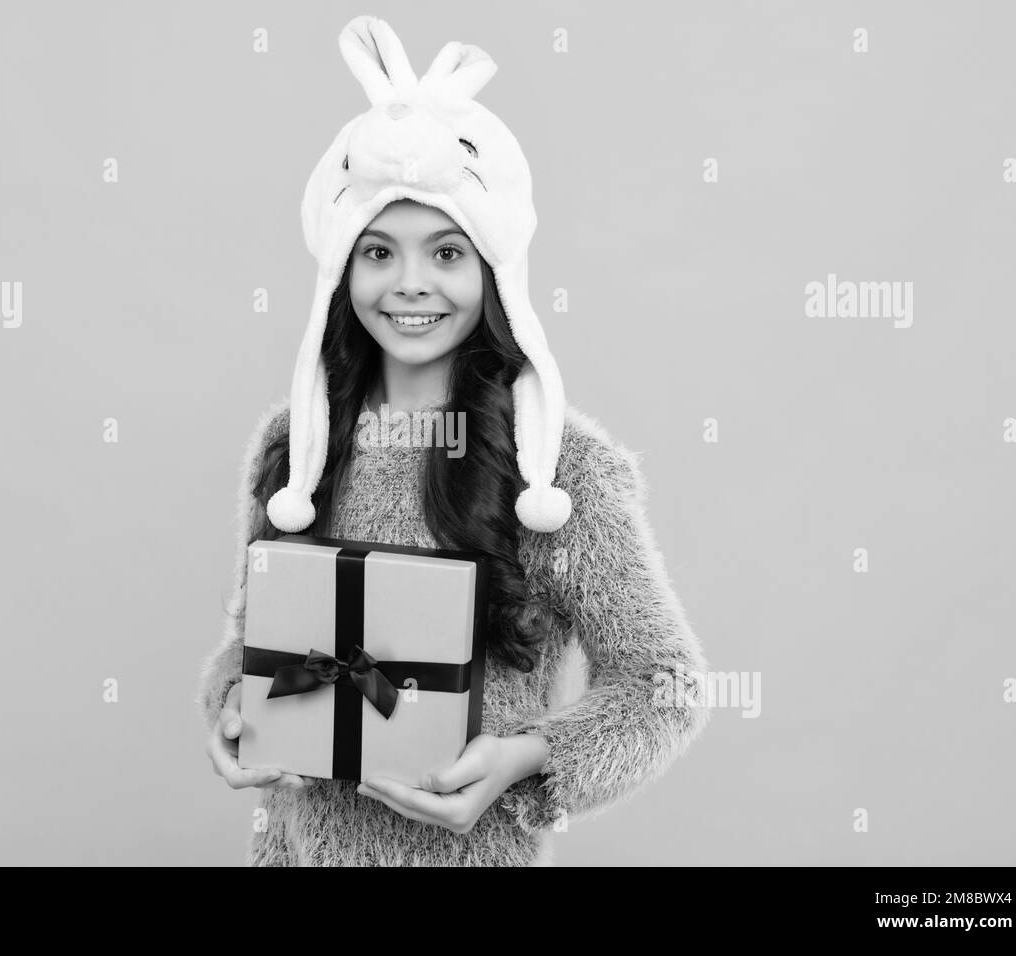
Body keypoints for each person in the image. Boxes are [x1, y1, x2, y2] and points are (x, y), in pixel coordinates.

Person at [197, 15, 710, 866]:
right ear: (340, 269)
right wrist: (228, 708)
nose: (409, 285)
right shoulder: (298, 447)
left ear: (492, 270)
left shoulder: (556, 468)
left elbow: (666, 687)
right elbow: (250, 644)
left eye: (445, 251)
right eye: (377, 252)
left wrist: (523, 760)